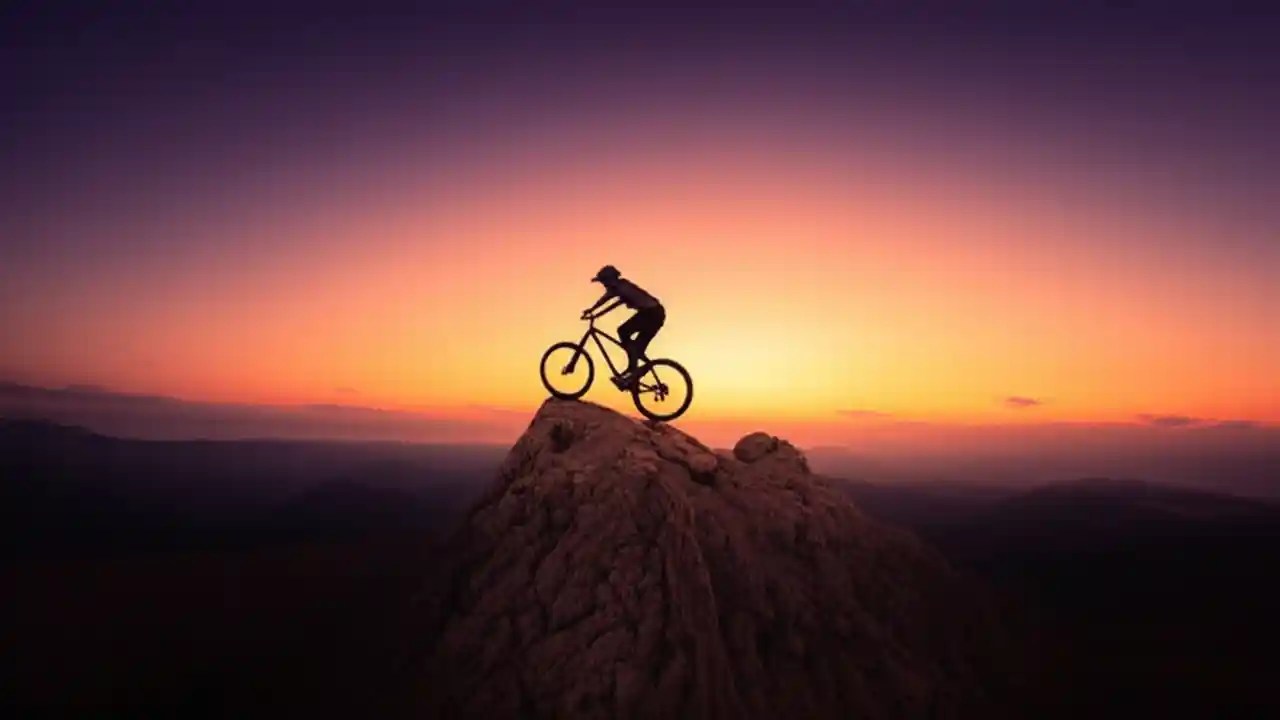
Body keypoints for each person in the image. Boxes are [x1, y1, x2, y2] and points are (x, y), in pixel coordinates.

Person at [582, 265, 665, 388]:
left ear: (610, 279)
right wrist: (593, 311)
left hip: (652, 314)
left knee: (623, 331)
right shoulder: (618, 287)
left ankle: (632, 371)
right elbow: (606, 300)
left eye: (604, 281)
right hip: (653, 314)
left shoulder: (623, 287)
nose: (604, 285)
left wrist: (595, 313)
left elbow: (614, 302)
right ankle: (634, 375)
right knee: (637, 350)